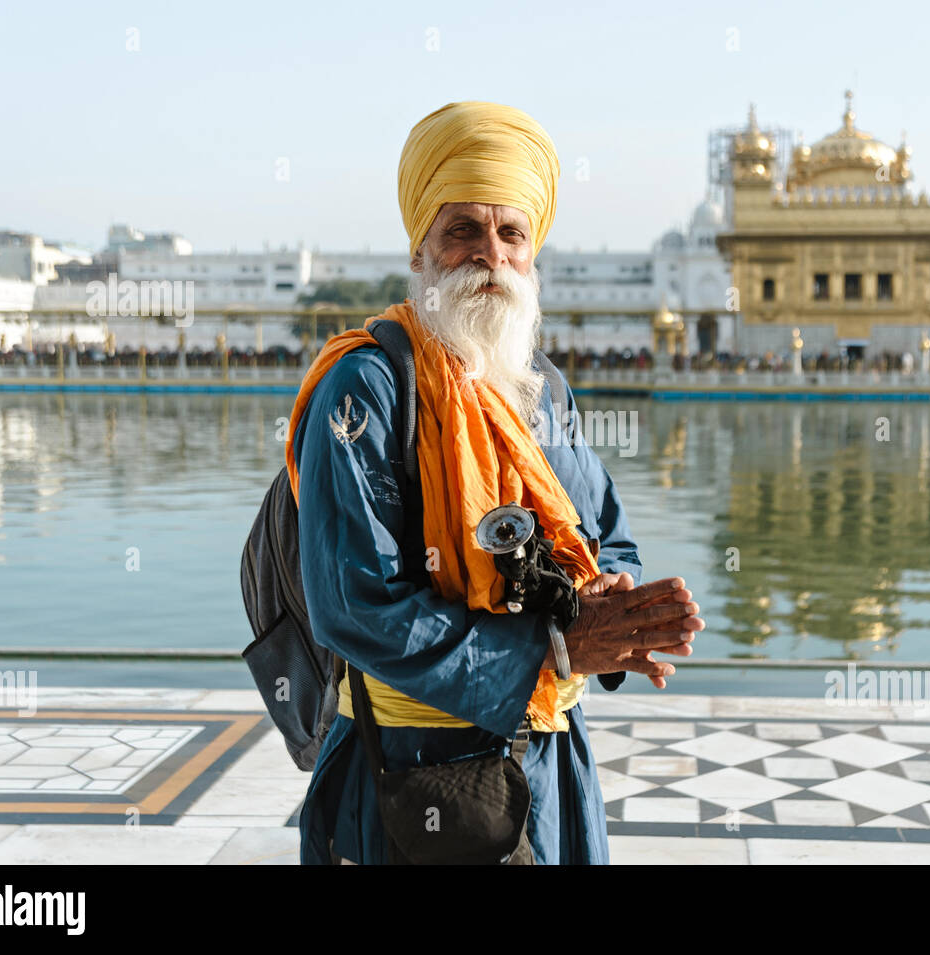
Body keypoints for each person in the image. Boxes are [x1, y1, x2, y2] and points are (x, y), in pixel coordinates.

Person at [287, 101, 704, 865]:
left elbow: (610, 532)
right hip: (411, 777)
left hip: (547, 771)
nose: (491, 255)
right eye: (464, 231)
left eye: (512, 234)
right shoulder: (369, 388)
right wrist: (552, 645)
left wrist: (614, 605)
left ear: (532, 256)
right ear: (421, 253)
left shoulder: (541, 389)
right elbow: (352, 603)